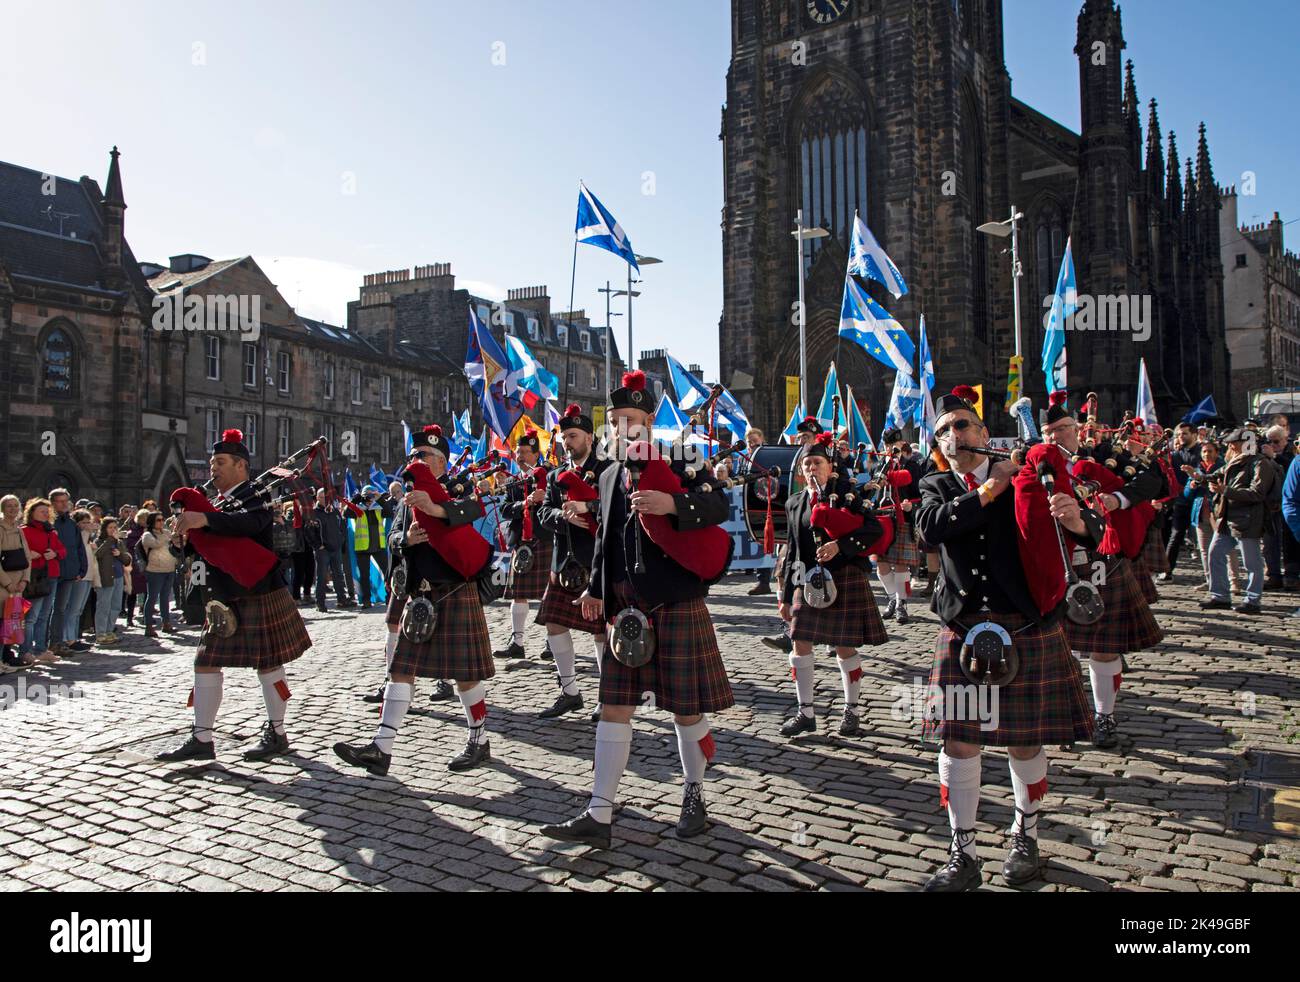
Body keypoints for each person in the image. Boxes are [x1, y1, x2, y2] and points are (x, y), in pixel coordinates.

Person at [916, 386, 1105, 891]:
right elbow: (932, 529)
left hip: (1023, 623)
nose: (954, 436)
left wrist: (1076, 521)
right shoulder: (936, 485)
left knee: (1024, 740)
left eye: (962, 426)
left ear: (982, 433)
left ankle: (1026, 834)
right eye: (944, 431)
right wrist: (987, 492)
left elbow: (1092, 525)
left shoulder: (1024, 470)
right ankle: (965, 851)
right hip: (962, 627)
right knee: (958, 742)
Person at [541, 371, 734, 849]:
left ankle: (694, 794)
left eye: (632, 418)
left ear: (649, 420)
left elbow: (720, 506)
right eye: (616, 420)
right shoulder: (608, 474)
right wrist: (595, 589)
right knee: (613, 708)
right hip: (625, 605)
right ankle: (599, 812)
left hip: (674, 599)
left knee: (686, 713)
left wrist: (674, 502)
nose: (624, 427)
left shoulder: (679, 460)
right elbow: (605, 540)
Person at [333, 424, 496, 775]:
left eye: (421, 456)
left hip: (453, 589)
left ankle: (479, 740)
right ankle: (381, 747)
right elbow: (391, 537)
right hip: (419, 594)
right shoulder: (408, 497)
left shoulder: (457, 485)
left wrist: (437, 511)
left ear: (440, 461)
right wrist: (406, 539)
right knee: (400, 671)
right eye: (412, 455)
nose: (414, 461)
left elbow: (473, 508)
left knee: (465, 676)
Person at [156, 428, 313, 763]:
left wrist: (204, 519)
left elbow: (249, 525)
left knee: (269, 664)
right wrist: (181, 540)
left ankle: (277, 731)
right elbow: (209, 545)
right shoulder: (216, 503)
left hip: (257, 591)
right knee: (205, 664)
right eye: (212, 462)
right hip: (223, 597)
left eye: (221, 462)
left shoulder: (256, 494)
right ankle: (202, 737)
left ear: (241, 465)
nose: (214, 468)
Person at [1042, 402, 1164, 751]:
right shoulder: (1037, 462)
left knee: (1103, 649)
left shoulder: (1107, 453)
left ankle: (1104, 716)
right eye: (1050, 432)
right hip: (1056, 561)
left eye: (1063, 428)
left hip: (1103, 557)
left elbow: (1151, 479)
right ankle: (1066, 714)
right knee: (1059, 647)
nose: (1057, 436)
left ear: (1077, 428)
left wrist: (1117, 499)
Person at [778, 433, 888, 738]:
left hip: (844, 576)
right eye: (807, 464)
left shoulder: (849, 493)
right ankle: (806, 712)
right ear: (801, 470)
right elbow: (792, 550)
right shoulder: (794, 502)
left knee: (844, 645)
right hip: (807, 578)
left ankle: (851, 710)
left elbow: (873, 529)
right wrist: (786, 595)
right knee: (800, 643)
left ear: (830, 467)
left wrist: (841, 546)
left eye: (818, 463)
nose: (812, 468)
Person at [533, 404, 612, 720]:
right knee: (554, 624)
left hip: (596, 561)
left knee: (600, 631)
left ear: (589, 437)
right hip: (563, 564)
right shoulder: (554, 476)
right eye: (564, 436)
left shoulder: (607, 470)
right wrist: (563, 518)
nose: (567, 441)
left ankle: (606, 698)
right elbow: (543, 514)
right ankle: (569, 692)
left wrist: (589, 508)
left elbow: (616, 508)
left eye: (574, 435)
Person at [492, 429, 554, 661]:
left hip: (545, 539)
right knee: (519, 595)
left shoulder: (549, 474)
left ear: (536, 454)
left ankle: (551, 642)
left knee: (548, 595)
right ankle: (517, 642)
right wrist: (524, 503)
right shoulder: (512, 481)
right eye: (518, 452)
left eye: (526, 452)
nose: (521, 456)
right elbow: (505, 509)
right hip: (522, 541)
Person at [1204, 428, 1270, 614]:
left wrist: (1226, 491)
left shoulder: (1260, 463)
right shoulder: (1236, 461)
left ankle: (1253, 601)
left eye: (1235, 442)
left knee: (1252, 562)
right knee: (1215, 553)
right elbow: (1216, 474)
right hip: (1228, 518)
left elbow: (1257, 493)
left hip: (1248, 520)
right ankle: (1220, 596)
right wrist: (1198, 477)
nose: (1231, 445)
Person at [872, 429, 923, 624]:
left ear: (903, 444)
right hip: (882, 519)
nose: (890, 448)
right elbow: (874, 492)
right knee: (881, 563)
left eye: (895, 444)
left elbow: (920, 494)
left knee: (901, 563)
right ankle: (892, 598)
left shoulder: (912, 466)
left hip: (903, 519)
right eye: (886, 445)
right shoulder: (879, 467)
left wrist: (912, 504)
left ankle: (902, 603)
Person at [20, 497, 65, 664]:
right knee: (31, 616)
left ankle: (40, 649)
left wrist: (55, 553)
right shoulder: (24, 530)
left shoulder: (51, 531)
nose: (46, 514)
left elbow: (62, 550)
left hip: (51, 575)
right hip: (34, 576)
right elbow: (21, 550)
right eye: (42, 511)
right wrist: (29, 553)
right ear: (32, 513)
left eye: (47, 511)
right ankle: (25, 651)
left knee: (45, 615)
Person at [47, 488, 91, 654]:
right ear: (52, 503)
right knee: (46, 611)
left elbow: (79, 548)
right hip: (51, 573)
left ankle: (57, 642)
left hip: (69, 572)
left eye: (66, 501)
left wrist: (81, 569)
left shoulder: (71, 523)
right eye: (60, 501)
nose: (64, 504)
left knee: (61, 609)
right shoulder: (49, 523)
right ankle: (44, 644)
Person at [1162, 422, 1202, 579]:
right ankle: (1167, 570)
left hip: (1200, 498)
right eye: (1179, 434)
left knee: (1204, 539)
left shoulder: (1202, 451)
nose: (1181, 437)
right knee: (1176, 534)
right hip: (1182, 500)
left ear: (1194, 434)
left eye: (1184, 433)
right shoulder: (1177, 455)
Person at [0, 494, 34, 668]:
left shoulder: (19, 529)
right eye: (9, 506)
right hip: (4, 585)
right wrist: (7, 583)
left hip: (18, 584)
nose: (13, 509)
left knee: (11, 623)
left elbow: (26, 556)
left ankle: (7, 656)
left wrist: (25, 580)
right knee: (1, 621)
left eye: (15, 506)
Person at [312, 491, 354, 613]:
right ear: (317, 498)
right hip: (323, 550)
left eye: (326, 497)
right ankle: (320, 603)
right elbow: (309, 531)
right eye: (321, 497)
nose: (324, 499)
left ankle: (342, 599)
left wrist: (341, 541)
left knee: (338, 575)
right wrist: (317, 545)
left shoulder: (334, 511)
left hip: (336, 548)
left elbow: (342, 527)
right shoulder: (314, 513)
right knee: (321, 577)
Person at [140, 511, 180, 637]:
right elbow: (155, 544)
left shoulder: (167, 533)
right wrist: (168, 536)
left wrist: (175, 532)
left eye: (163, 519)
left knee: (165, 598)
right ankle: (148, 626)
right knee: (152, 598)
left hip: (169, 569)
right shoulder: (147, 535)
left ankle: (166, 623)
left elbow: (178, 542)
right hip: (154, 571)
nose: (162, 522)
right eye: (158, 520)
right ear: (152, 522)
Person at [349, 486, 389, 609]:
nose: (369, 498)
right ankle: (366, 600)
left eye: (371, 495)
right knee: (365, 575)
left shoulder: (378, 507)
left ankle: (390, 597)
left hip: (378, 545)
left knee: (387, 572)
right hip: (362, 547)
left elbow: (389, 512)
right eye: (367, 495)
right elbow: (347, 513)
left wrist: (380, 499)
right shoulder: (357, 508)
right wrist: (355, 500)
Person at [92, 517, 127, 646]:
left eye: (115, 528)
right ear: (104, 529)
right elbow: (98, 554)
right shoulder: (99, 541)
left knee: (116, 606)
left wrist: (120, 554)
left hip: (118, 576)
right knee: (103, 606)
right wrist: (110, 540)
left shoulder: (119, 542)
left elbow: (127, 559)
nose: (113, 530)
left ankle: (109, 630)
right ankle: (100, 633)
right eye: (110, 528)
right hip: (105, 578)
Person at [121, 508, 148, 629]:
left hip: (148, 566)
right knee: (132, 592)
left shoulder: (149, 531)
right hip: (135, 566)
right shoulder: (133, 532)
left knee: (148, 593)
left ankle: (146, 617)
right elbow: (130, 548)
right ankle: (129, 618)